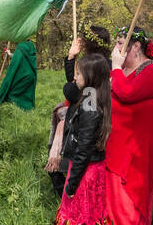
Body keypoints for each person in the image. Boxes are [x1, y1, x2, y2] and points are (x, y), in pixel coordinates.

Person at [105, 26, 153, 225]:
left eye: (121, 44)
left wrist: (114, 68)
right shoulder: (123, 74)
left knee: (134, 197)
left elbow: (127, 93)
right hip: (118, 152)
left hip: (138, 154)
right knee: (116, 198)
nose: (116, 49)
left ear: (135, 47)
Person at [53, 53, 117, 225]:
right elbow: (70, 89)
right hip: (88, 168)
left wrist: (71, 183)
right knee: (87, 211)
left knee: (81, 212)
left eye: (79, 74)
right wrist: (70, 60)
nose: (76, 78)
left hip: (85, 172)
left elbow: (84, 148)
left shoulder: (90, 106)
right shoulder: (91, 94)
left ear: (89, 77)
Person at [46, 25, 112, 201]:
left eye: (83, 38)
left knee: (74, 158)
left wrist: (71, 184)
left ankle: (65, 191)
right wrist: (71, 57)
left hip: (81, 125)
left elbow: (72, 91)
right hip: (79, 119)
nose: (80, 41)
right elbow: (74, 83)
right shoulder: (93, 62)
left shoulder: (97, 66)